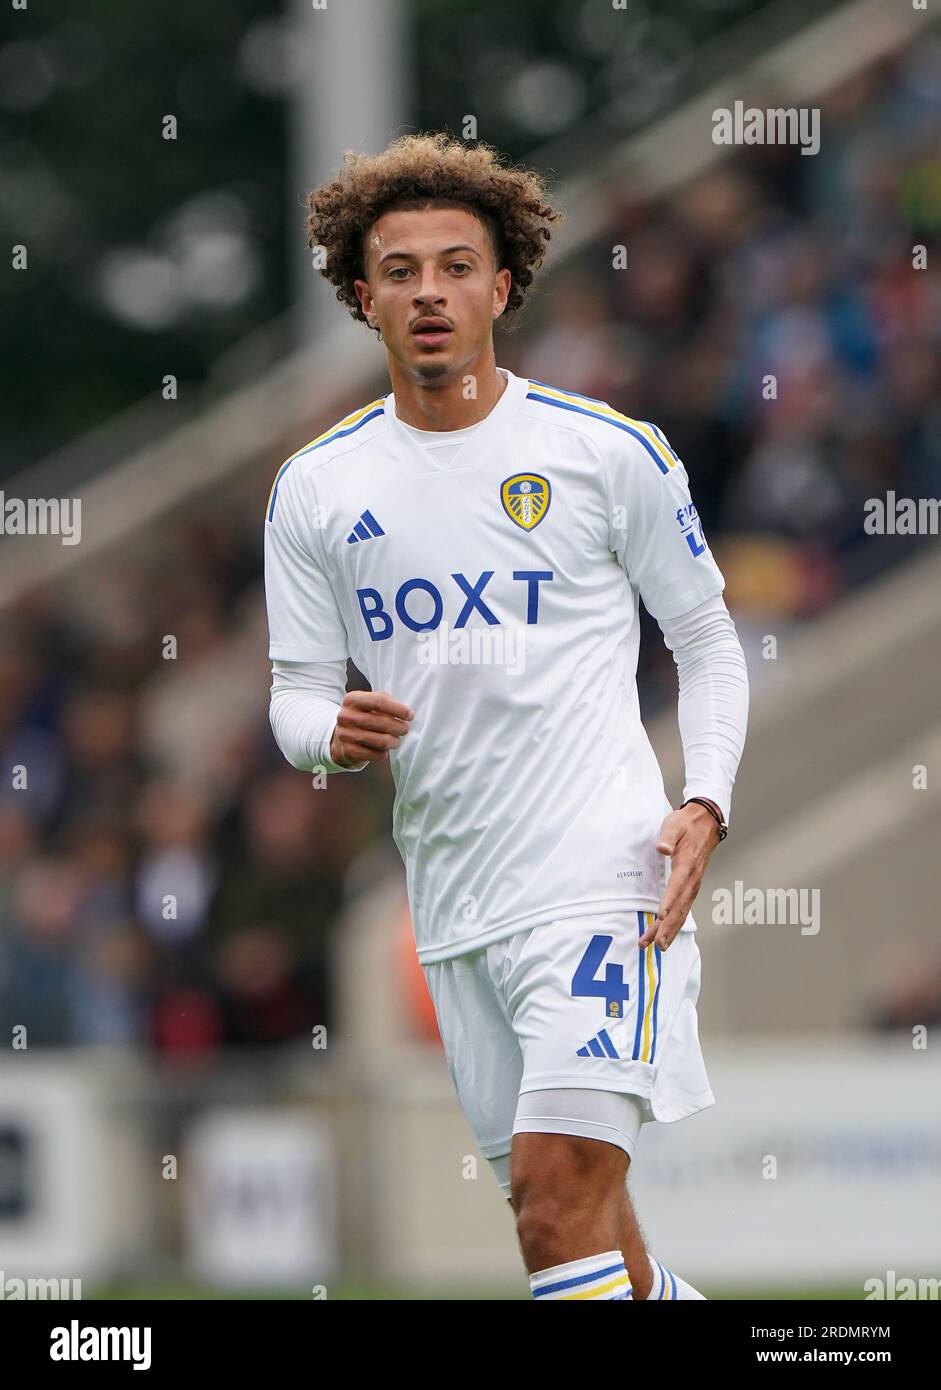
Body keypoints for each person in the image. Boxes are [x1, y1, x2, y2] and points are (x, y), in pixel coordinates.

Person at [265, 132, 749, 1301]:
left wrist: (704, 800)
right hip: (453, 911)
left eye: (454, 265)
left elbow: (705, 641)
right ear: (360, 294)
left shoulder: (603, 453)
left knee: (553, 1209)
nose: (428, 291)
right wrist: (327, 735)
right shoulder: (317, 489)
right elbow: (290, 694)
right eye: (399, 270)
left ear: (503, 285)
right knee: (590, 1227)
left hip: (599, 880)